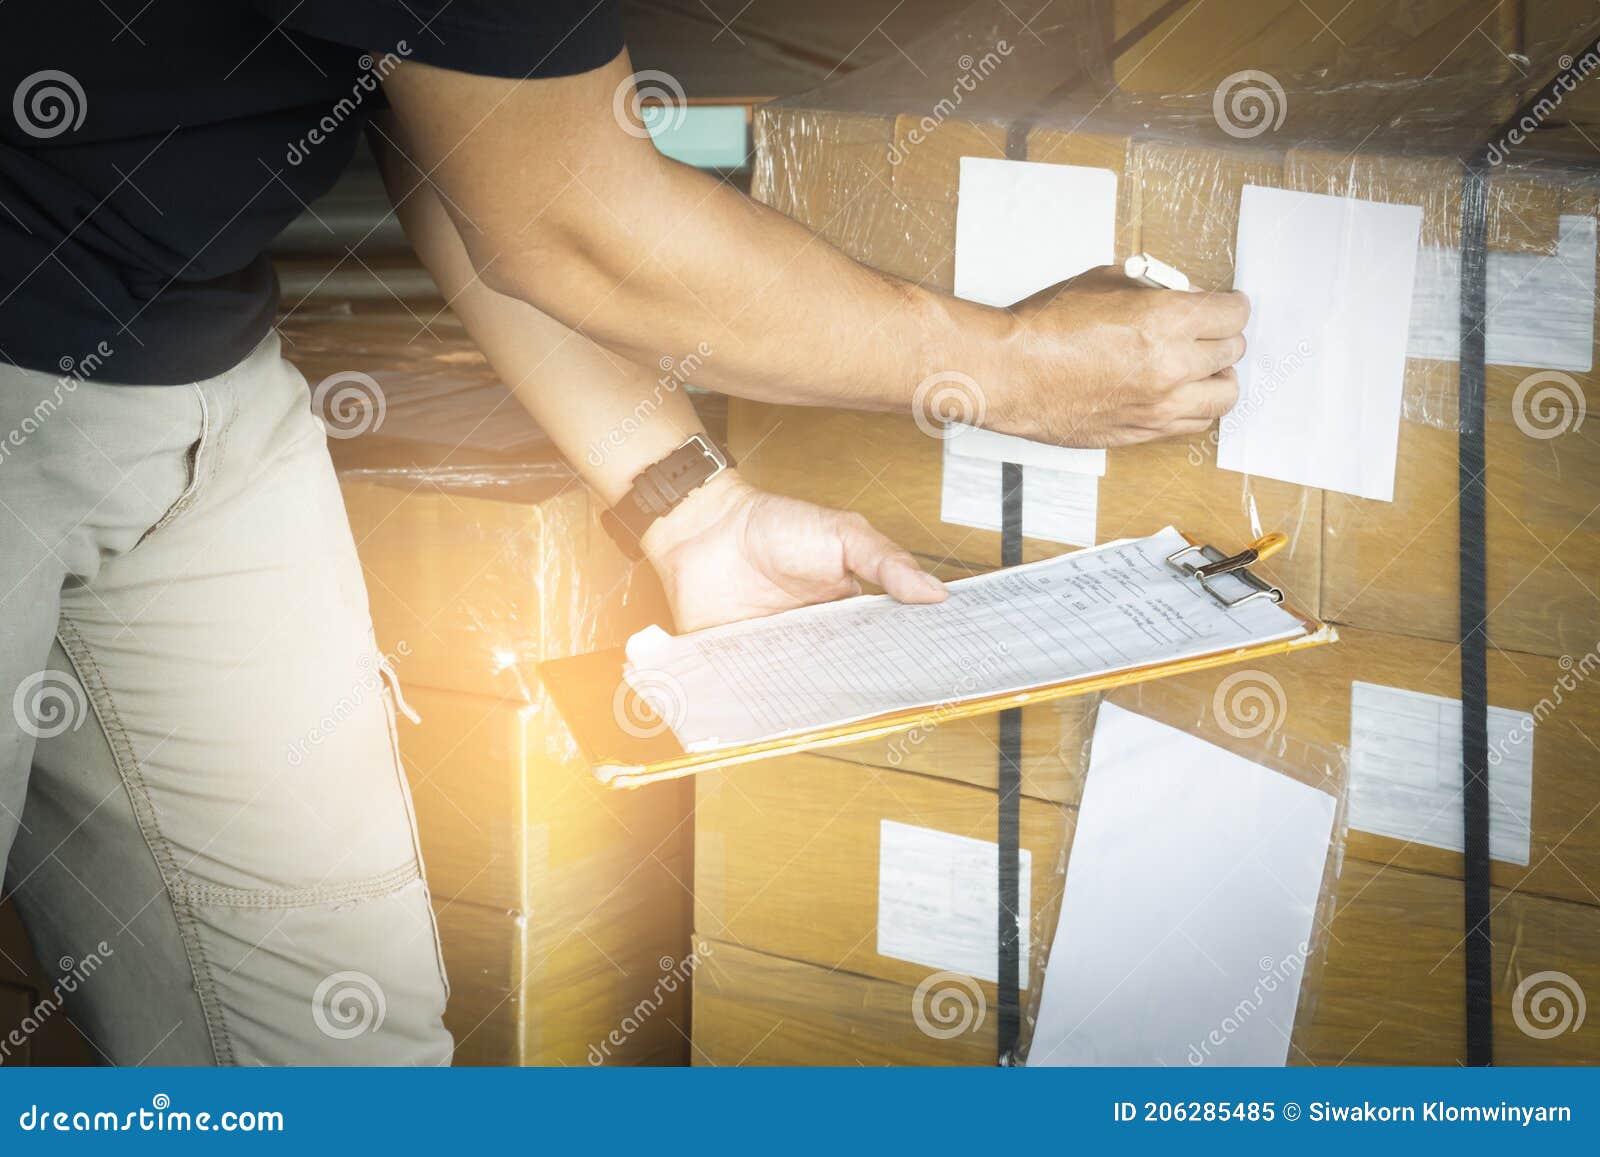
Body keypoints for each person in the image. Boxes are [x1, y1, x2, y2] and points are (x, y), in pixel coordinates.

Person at [0, 2, 1247, 1065]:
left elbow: (471, 146)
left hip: (192, 372)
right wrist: (1010, 366)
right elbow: (569, 217)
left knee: (336, 1052)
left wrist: (693, 505)